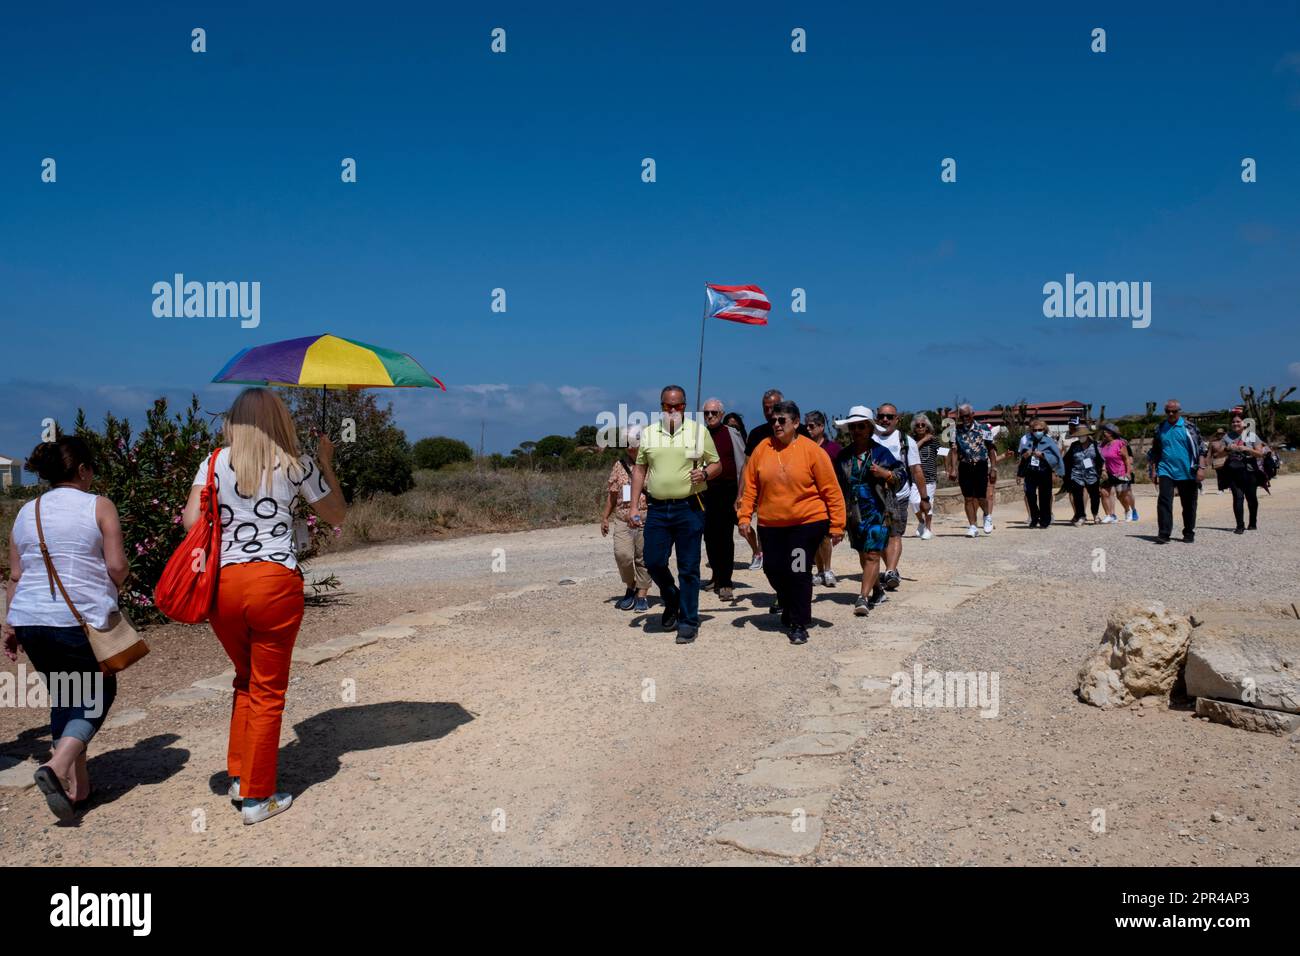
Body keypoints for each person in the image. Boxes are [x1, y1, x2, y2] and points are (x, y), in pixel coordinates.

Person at [182, 388, 346, 824]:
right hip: (274, 582)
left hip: (223, 586)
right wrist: (325, 461)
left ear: (235, 419)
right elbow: (337, 515)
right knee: (268, 689)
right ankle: (257, 798)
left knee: (245, 679)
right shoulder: (297, 464)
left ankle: (239, 775)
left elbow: (190, 522)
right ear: (279, 418)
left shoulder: (214, 462)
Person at [3, 437, 128, 821]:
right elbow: (118, 566)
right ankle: (57, 768)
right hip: (77, 621)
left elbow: (16, 574)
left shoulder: (26, 512)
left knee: (66, 693)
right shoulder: (99, 505)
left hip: (30, 620)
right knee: (98, 690)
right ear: (83, 470)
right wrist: (118, 587)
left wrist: (9, 625)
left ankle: (79, 788)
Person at [738, 400, 845, 645]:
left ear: (795, 423)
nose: (776, 424)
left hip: (805, 523)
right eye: (773, 420)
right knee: (773, 569)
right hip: (771, 524)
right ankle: (788, 601)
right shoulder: (762, 449)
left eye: (781, 420)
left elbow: (831, 489)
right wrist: (744, 517)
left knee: (798, 570)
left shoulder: (811, 450)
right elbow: (751, 487)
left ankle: (799, 623)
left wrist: (837, 524)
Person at [627, 385, 720, 644]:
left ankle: (689, 621)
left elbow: (717, 464)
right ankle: (672, 598)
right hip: (657, 508)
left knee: (688, 568)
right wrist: (634, 506)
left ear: (685, 406)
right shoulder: (649, 434)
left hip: (689, 507)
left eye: (678, 405)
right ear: (661, 407)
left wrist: (704, 473)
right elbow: (639, 470)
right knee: (653, 560)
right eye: (668, 405)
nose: (672, 409)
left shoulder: (698, 432)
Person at [833, 407, 907, 618]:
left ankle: (862, 598)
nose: (856, 430)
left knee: (873, 553)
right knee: (864, 555)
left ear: (869, 428)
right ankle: (877, 590)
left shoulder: (881, 453)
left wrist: (886, 474)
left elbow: (902, 476)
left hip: (878, 510)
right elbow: (836, 485)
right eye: (853, 427)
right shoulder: (843, 456)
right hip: (853, 512)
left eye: (861, 426)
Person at [737, 389, 811, 571]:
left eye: (774, 408)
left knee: (798, 565)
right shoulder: (757, 435)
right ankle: (761, 554)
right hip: (767, 501)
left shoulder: (801, 432)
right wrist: (740, 494)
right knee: (774, 564)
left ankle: (799, 583)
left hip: (798, 505)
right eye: (766, 408)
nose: (770, 413)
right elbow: (747, 467)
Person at [871, 403, 927, 591]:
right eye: (881, 416)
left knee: (894, 533)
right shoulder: (869, 439)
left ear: (897, 419)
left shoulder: (906, 441)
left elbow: (917, 470)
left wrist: (924, 498)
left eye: (889, 416)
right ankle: (890, 569)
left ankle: (891, 570)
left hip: (898, 494)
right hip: (874, 495)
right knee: (881, 535)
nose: (885, 419)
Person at [701, 398, 746, 601]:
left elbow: (743, 464)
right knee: (709, 537)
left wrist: (740, 495)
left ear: (721, 414)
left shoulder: (732, 434)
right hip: (705, 492)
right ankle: (716, 576)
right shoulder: (698, 435)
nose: (710, 416)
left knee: (725, 537)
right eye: (707, 413)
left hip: (728, 491)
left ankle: (726, 582)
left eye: (714, 413)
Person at [601, 424, 650, 611]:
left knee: (643, 558)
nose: (630, 447)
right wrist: (605, 517)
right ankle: (631, 585)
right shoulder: (619, 466)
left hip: (646, 517)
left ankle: (641, 594)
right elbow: (613, 495)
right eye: (627, 444)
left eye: (634, 443)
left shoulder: (651, 464)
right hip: (622, 518)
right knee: (623, 556)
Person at [1147, 399, 1208, 544]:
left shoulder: (1189, 427)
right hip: (1166, 470)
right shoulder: (1160, 428)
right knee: (1164, 502)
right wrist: (1153, 470)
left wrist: (1201, 468)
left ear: (1179, 411)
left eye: (1174, 411)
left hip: (1188, 471)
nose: (1170, 413)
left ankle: (1188, 532)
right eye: (1167, 411)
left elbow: (1201, 449)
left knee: (1189, 504)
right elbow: (1155, 451)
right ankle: (1164, 533)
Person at [804, 410, 842, 586]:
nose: (808, 429)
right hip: (808, 498)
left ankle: (827, 569)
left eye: (811, 426)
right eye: (807, 426)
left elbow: (842, 473)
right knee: (813, 536)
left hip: (827, 497)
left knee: (825, 536)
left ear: (820, 426)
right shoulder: (803, 447)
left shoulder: (834, 449)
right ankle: (819, 570)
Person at [947, 404, 996, 538]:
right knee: (968, 497)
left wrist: (994, 468)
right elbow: (954, 451)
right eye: (962, 416)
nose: (964, 418)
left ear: (972, 414)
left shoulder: (983, 428)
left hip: (980, 464)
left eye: (967, 415)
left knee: (981, 496)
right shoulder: (954, 431)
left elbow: (991, 448)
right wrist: (953, 469)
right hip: (965, 466)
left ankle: (987, 515)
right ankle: (973, 526)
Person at [1221, 412, 1269, 533]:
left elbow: (1260, 454)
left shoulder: (1252, 436)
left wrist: (1247, 448)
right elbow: (1218, 453)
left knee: (1251, 498)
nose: (1235, 424)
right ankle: (1239, 525)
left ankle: (1252, 522)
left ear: (1244, 423)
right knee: (1237, 497)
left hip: (1249, 471)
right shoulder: (1227, 437)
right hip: (1233, 471)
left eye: (1238, 421)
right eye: (1233, 422)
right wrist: (1227, 449)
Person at [1017, 419, 1064, 528]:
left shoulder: (1049, 441)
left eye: (1040, 430)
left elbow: (1055, 457)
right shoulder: (1027, 440)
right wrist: (1019, 472)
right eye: (1035, 430)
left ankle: (1045, 520)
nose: (1037, 431)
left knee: (1045, 497)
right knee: (1030, 495)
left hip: (1044, 472)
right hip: (1030, 472)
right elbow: (1022, 458)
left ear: (1044, 430)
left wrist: (1043, 455)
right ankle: (1034, 517)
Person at [1062, 425, 1106, 524]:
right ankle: (1081, 516)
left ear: (1087, 435)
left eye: (1083, 435)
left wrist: (1103, 470)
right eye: (1079, 436)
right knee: (1077, 496)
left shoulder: (1095, 445)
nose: (1081, 437)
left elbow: (1101, 459)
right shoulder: (1074, 445)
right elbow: (1066, 459)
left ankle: (1095, 514)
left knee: (1094, 496)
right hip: (1076, 474)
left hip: (1092, 474)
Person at [1098, 424, 1137, 523]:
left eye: (1106, 431)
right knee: (1104, 492)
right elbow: (1102, 459)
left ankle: (1128, 511)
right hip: (1108, 473)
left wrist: (1128, 472)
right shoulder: (1102, 445)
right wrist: (1103, 470)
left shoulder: (1120, 443)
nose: (1103, 433)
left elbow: (1126, 459)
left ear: (1111, 433)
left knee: (1121, 495)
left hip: (1120, 472)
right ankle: (1110, 515)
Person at [909, 414, 939, 540]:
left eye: (923, 425)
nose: (920, 427)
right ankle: (921, 522)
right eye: (917, 425)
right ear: (914, 428)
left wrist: (950, 468)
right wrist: (923, 440)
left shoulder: (934, 441)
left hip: (929, 476)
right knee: (914, 501)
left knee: (927, 502)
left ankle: (928, 528)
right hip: (914, 478)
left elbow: (943, 452)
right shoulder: (910, 440)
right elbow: (912, 450)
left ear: (927, 427)